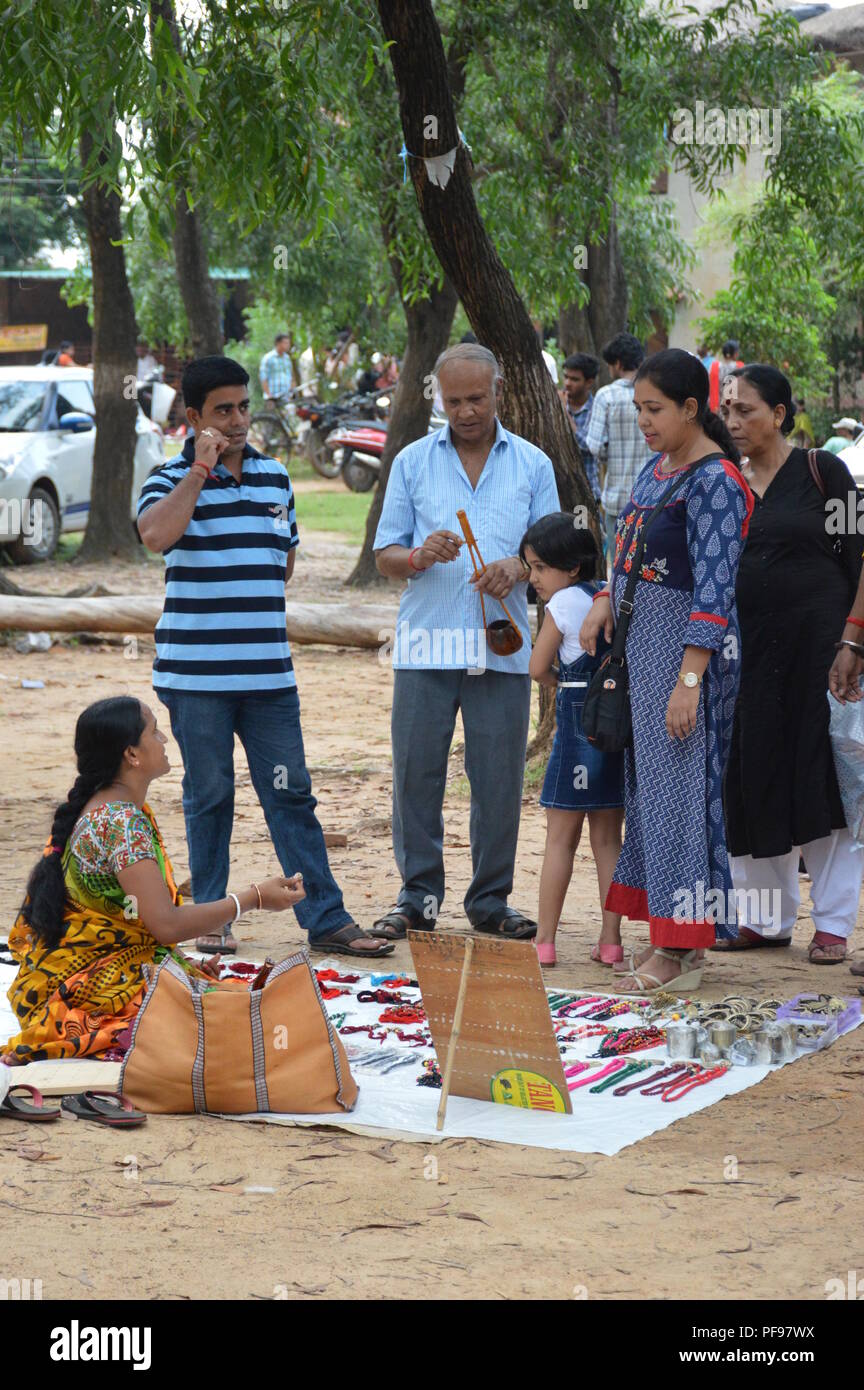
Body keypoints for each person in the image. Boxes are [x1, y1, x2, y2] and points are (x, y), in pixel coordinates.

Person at [136, 355, 393, 959]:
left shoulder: (276, 477)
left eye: (244, 406)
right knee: (209, 794)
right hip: (195, 678)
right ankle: (210, 920)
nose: (238, 420)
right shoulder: (166, 477)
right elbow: (154, 536)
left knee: (290, 793)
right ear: (194, 417)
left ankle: (326, 918)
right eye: (223, 410)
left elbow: (284, 562)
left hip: (269, 678)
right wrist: (199, 472)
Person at [372, 342, 560, 940]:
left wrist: (518, 567)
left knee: (499, 781)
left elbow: (553, 557)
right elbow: (385, 556)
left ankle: (489, 901)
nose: (466, 411)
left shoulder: (532, 464)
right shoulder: (411, 462)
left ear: (498, 392)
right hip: (426, 646)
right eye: (453, 401)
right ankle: (418, 897)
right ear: (438, 399)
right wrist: (418, 555)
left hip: (500, 652)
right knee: (416, 776)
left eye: (476, 398)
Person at [579, 348, 753, 994]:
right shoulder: (657, 471)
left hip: (687, 657)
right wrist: (604, 596)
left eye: (654, 410)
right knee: (649, 793)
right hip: (642, 650)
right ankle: (664, 938)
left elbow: (715, 591)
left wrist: (689, 680)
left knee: (682, 797)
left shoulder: (716, 483)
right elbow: (626, 545)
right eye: (638, 410)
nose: (644, 422)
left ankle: (683, 952)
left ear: (689, 408)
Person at [2, 697, 306, 1065]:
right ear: (132, 754)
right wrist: (253, 898)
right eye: (154, 732)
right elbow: (165, 925)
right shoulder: (121, 824)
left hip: (73, 977)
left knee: (248, 1010)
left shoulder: (104, 807)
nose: (164, 739)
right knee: (256, 1024)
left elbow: (140, 923)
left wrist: (178, 967)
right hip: (95, 992)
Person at [718, 365, 864, 964]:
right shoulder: (726, 482)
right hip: (747, 659)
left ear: (780, 415)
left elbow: (860, 556)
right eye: (727, 410)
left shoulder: (821, 473)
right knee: (753, 779)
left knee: (821, 782)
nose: (733, 422)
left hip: (820, 657)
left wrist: (853, 642)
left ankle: (831, 923)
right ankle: (764, 920)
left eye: (745, 410)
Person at [522, 513, 624, 967]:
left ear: (572, 568)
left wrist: (564, 683)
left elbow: (537, 667)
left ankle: (544, 942)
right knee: (608, 840)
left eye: (541, 567)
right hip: (614, 727)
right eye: (530, 567)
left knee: (560, 839)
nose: (533, 577)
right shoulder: (612, 599)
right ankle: (610, 942)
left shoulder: (562, 605)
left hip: (576, 727)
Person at [584, 332, 654, 565]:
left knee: (620, 566)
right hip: (652, 498)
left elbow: (593, 446)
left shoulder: (606, 396)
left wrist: (608, 450)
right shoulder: (654, 394)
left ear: (618, 364)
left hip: (617, 497)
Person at [560, 353, 601, 501]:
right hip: (559, 492)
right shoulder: (556, 404)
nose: (567, 383)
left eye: (574, 379)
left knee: (581, 525)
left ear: (589, 382)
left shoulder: (597, 409)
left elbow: (588, 446)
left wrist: (564, 414)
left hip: (586, 493)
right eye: (566, 377)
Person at [707, 339, 743, 412]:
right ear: (735, 353)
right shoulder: (740, 367)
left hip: (717, 409)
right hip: (735, 409)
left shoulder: (713, 367)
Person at [259, 332, 293, 401]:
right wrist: (269, 395)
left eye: (288, 343)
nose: (288, 345)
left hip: (286, 397)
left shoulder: (287, 358)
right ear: (278, 343)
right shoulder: (268, 358)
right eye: (285, 343)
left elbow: (290, 376)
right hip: (272, 397)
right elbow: (263, 377)